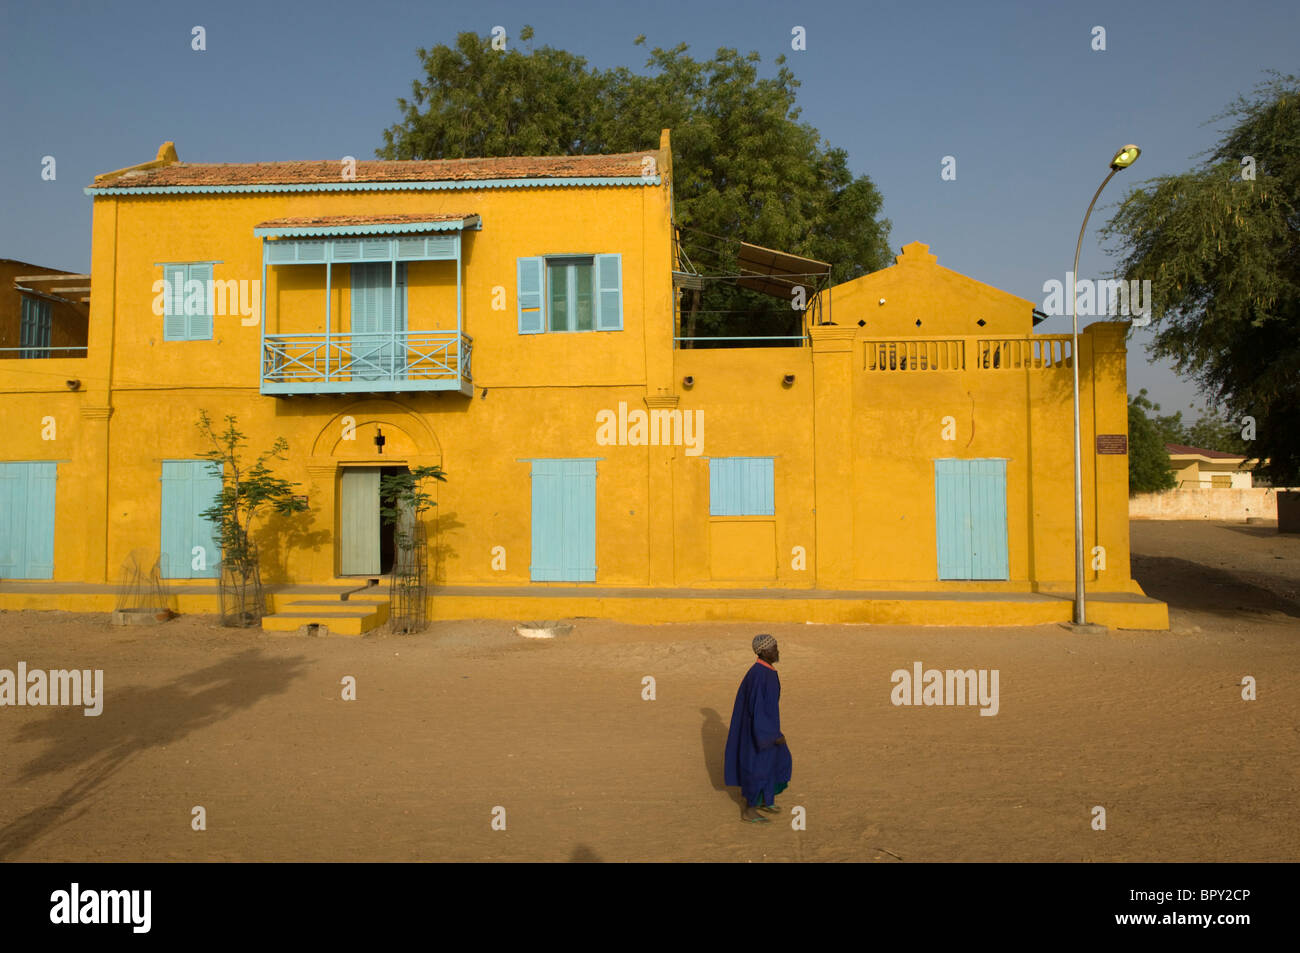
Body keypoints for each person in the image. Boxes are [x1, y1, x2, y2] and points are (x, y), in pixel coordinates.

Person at [723, 633, 792, 823]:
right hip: (758, 732)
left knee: (775, 762)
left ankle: (766, 800)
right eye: (773, 648)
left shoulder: (766, 672)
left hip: (768, 728)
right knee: (757, 768)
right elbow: (758, 710)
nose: (777, 651)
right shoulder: (759, 675)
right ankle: (749, 809)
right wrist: (770, 735)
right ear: (762, 652)